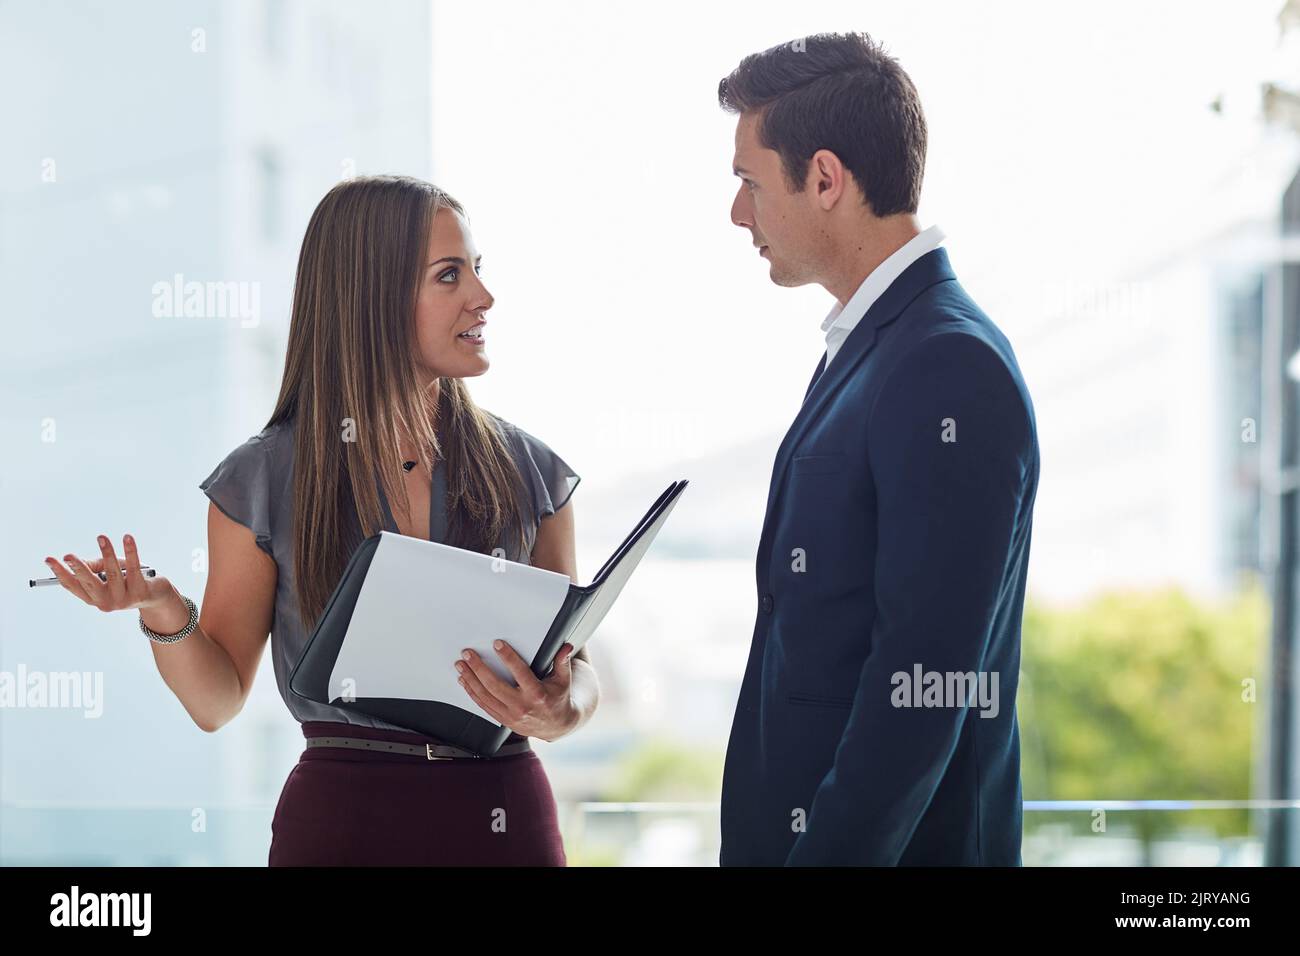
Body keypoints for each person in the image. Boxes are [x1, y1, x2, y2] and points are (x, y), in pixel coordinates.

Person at [41, 175, 598, 866]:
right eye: (449, 275)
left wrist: (563, 709)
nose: (483, 297)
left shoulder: (532, 472)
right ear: (373, 297)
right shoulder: (262, 477)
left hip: (504, 817)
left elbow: (578, 672)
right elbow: (216, 703)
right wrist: (163, 607)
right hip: (343, 825)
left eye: (477, 270)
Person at [717, 32, 1040, 865]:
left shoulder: (944, 361)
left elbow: (919, 690)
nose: (737, 213)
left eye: (749, 183)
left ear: (825, 178)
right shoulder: (878, 348)